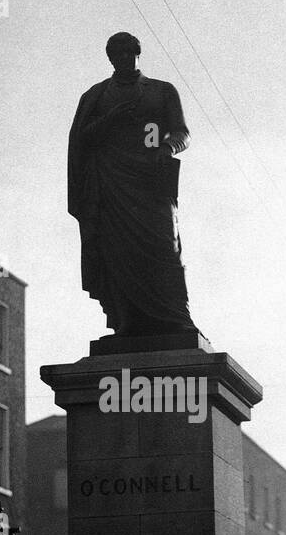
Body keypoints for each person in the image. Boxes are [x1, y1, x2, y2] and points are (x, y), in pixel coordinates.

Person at [67, 32, 199, 337]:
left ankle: (178, 316)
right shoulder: (96, 96)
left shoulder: (162, 91)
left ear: (138, 54)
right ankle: (127, 320)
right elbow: (81, 139)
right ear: (110, 58)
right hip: (111, 185)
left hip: (151, 183)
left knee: (166, 247)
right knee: (117, 253)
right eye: (117, 54)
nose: (124, 59)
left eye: (129, 53)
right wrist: (110, 119)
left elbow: (182, 133)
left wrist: (166, 149)